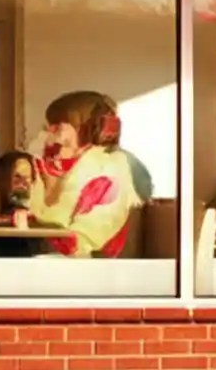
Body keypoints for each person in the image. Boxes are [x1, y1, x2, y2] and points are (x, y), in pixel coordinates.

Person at [28, 91, 142, 258]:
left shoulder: (110, 172)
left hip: (91, 270)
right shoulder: (58, 168)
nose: (50, 133)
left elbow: (82, 241)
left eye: (59, 124)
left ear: (84, 128)